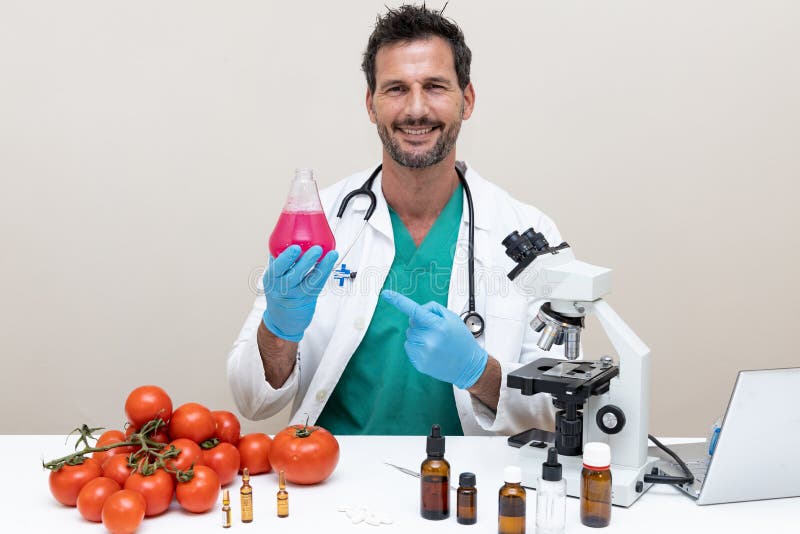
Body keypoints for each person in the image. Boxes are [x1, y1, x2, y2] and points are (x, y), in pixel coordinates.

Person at [227, 4, 562, 436]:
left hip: (466, 484)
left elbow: (559, 409)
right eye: (397, 89)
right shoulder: (319, 222)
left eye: (436, 86)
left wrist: (479, 372)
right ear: (371, 104)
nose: (416, 109)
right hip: (331, 472)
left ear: (468, 100)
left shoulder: (531, 236)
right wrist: (277, 330)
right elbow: (251, 400)